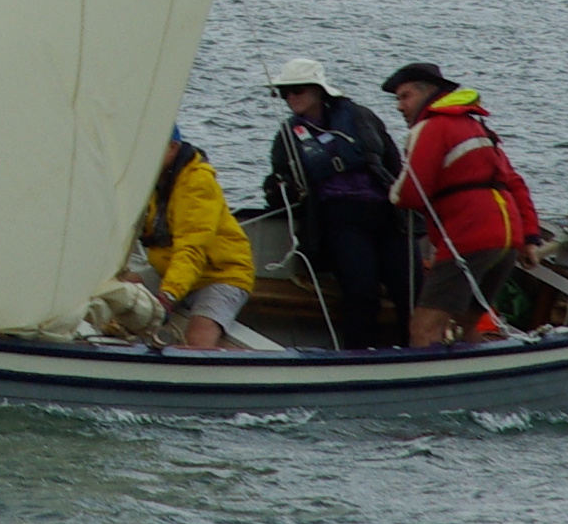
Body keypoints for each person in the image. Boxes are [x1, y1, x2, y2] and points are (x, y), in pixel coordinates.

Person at [384, 63, 547, 345]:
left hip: (469, 238)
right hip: (507, 240)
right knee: (468, 327)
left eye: (405, 96)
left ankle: (429, 388)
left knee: (424, 327)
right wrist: (530, 238)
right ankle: (489, 381)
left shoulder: (432, 127)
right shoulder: (477, 128)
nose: (400, 106)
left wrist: (389, 196)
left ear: (428, 93)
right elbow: (515, 184)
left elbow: (411, 192)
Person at [259, 58, 411, 351]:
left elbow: (393, 164)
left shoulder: (360, 117)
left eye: (298, 90)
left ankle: (418, 355)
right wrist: (279, 188)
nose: (291, 98)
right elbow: (280, 186)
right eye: (284, 92)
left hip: (386, 214)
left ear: (319, 91)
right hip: (341, 218)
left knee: (409, 290)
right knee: (361, 291)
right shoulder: (287, 138)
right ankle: (358, 357)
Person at [136, 127, 257, 349]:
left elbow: (192, 248)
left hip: (220, 275)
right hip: (169, 269)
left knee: (198, 340)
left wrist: (167, 296)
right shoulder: (154, 179)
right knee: (119, 290)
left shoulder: (197, 183)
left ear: (173, 148)